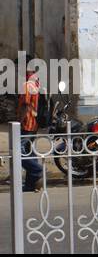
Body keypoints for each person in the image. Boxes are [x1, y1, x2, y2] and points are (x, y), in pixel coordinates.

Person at [19, 63, 43, 193]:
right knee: (29, 151)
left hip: (27, 123)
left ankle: (36, 170)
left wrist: (19, 120)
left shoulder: (27, 85)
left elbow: (25, 105)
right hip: (35, 123)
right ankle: (31, 184)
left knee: (19, 151)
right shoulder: (38, 84)